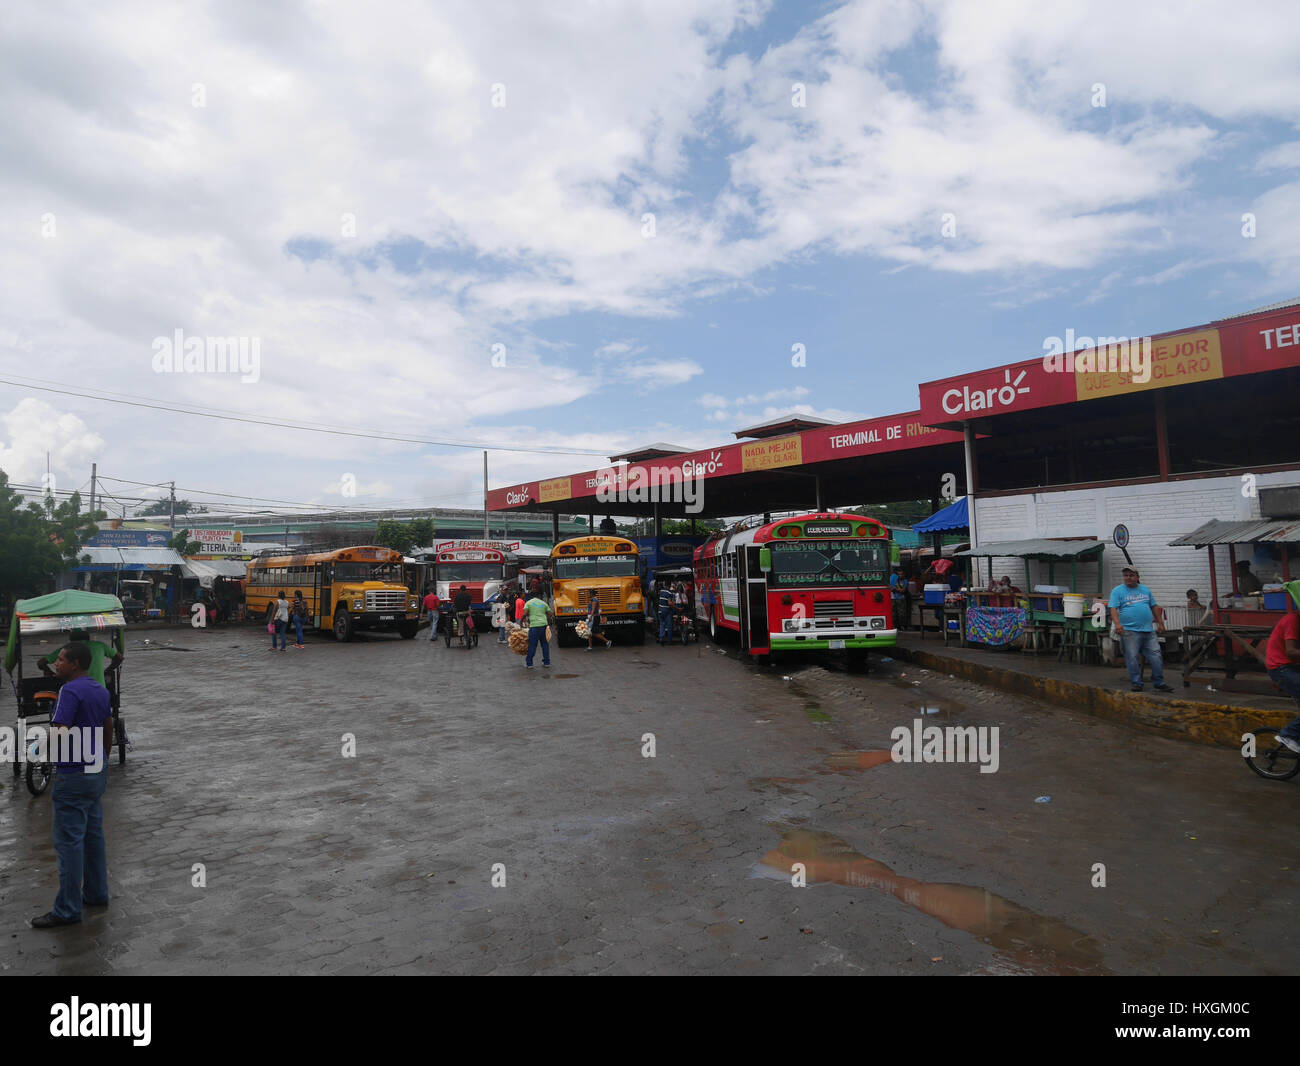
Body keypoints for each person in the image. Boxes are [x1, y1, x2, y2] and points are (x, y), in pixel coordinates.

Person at [29, 643, 112, 928]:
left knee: (69, 843)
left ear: (75, 664)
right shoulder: (100, 689)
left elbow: (60, 729)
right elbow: (107, 725)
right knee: (93, 836)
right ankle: (97, 894)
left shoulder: (70, 690)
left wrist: (36, 750)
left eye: (62, 660)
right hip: (96, 771)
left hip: (74, 774)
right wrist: (104, 758)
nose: (57, 664)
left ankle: (67, 909)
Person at [1108, 566, 1173, 693]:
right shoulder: (1117, 591)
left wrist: (1161, 623)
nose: (1128, 577)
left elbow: (1154, 607)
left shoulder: (1145, 590)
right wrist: (1117, 624)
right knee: (1132, 657)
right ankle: (1137, 683)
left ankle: (1159, 682)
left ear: (1137, 577)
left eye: (1131, 575)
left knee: (1156, 656)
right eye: (1126, 575)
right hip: (1129, 631)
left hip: (1148, 630)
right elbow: (1113, 609)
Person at [1265, 595, 1300, 753]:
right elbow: (1291, 651)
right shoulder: (1292, 620)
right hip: (1281, 668)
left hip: (1292, 667)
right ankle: (1288, 734)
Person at [39, 628, 121, 688]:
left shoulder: (67, 649)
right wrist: (107, 671)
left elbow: (41, 663)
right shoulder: (99, 645)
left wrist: (50, 672)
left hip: (76, 690)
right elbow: (119, 658)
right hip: (99, 689)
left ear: (71, 638)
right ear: (87, 637)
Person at [521, 587, 553, 668]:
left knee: (532, 645)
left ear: (531, 596)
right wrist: (548, 623)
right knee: (545, 645)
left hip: (534, 626)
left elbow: (524, 614)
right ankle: (546, 662)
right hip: (544, 626)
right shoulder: (544, 603)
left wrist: (521, 622)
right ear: (539, 596)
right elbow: (550, 614)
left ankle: (529, 663)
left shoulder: (528, 603)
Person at [657, 579, 675, 644]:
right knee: (669, 625)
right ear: (670, 585)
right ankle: (670, 641)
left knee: (662, 625)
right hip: (666, 611)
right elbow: (669, 603)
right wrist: (676, 607)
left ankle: (661, 638)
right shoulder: (669, 592)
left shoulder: (661, 591)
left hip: (660, 611)